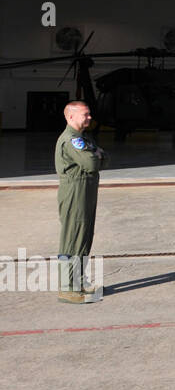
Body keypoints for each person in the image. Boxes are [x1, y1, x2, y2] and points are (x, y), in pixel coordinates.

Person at [55, 101, 106, 304]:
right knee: (72, 239)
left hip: (86, 191)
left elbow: (105, 158)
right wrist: (96, 155)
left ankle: (78, 282)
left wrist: (97, 156)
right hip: (75, 192)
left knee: (84, 238)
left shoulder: (84, 138)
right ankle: (67, 289)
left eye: (89, 114)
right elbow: (92, 163)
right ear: (71, 117)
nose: (89, 117)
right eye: (85, 114)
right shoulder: (71, 140)